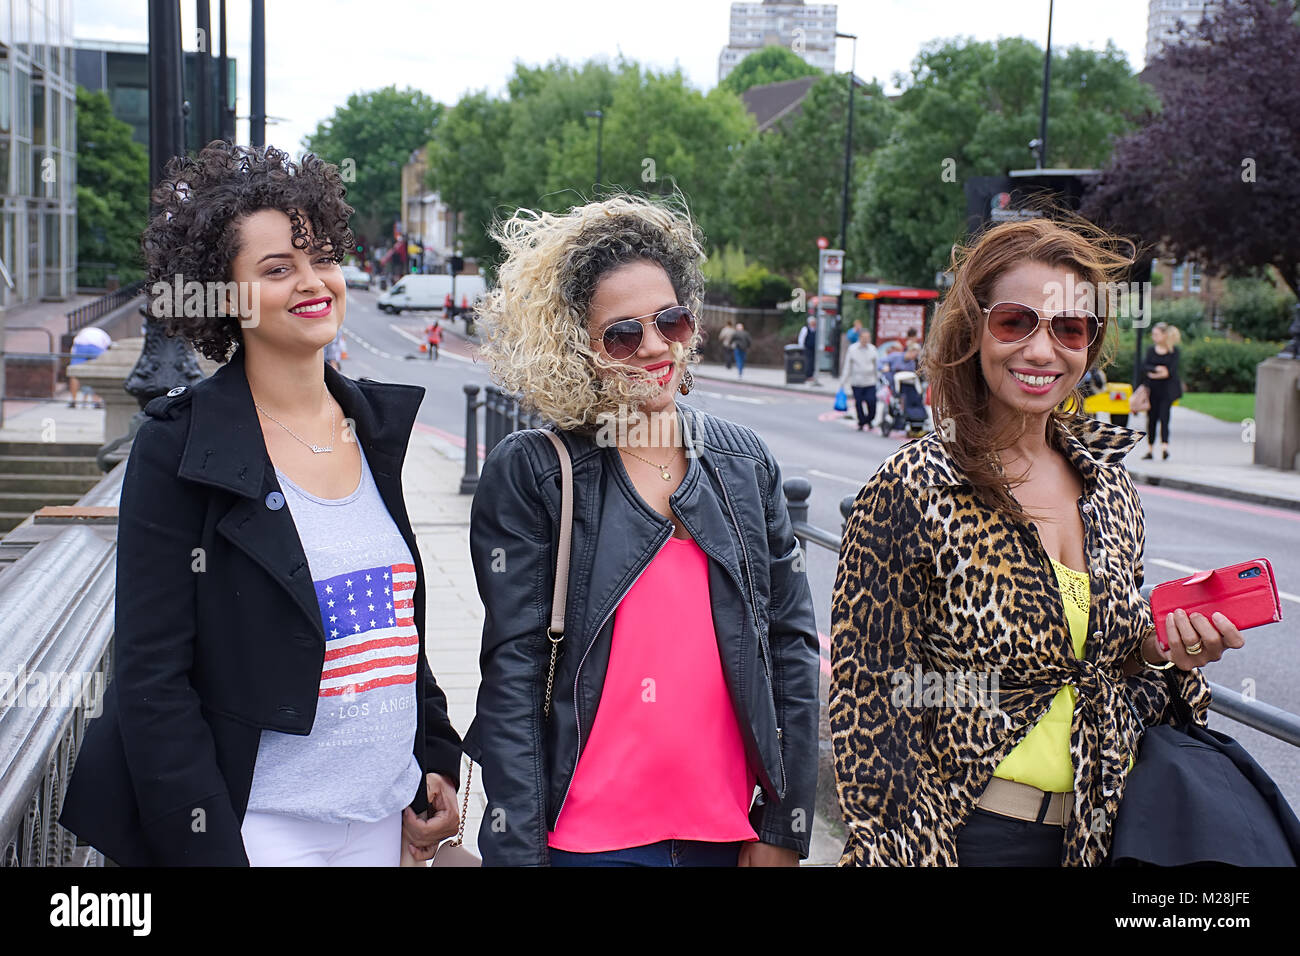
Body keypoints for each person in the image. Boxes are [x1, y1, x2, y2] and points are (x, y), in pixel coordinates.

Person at [59, 142, 464, 867]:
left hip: (380, 819)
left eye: (323, 256)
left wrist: (435, 757)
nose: (313, 282)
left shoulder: (371, 427)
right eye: (277, 268)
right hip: (262, 830)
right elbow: (153, 680)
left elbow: (395, 621)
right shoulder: (177, 448)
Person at [830, 217, 1243, 866]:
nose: (1043, 350)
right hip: (970, 839)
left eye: (1069, 328)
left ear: (1090, 343)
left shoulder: (1109, 489)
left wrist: (1160, 650)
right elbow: (871, 707)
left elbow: (1103, 668)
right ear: (973, 329)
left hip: (1099, 836)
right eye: (1015, 322)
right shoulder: (911, 489)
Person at [464, 193, 820, 867]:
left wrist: (782, 828)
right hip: (586, 841)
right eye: (623, 335)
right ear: (578, 348)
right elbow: (514, 675)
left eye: (672, 321)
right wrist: (517, 853)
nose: (655, 347)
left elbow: (791, 650)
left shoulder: (743, 463)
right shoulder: (537, 472)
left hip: (722, 834)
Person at [1139, 322, 1182, 460]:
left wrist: (1154, 372)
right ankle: (1150, 449)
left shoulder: (1173, 351)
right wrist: (1158, 370)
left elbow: (1170, 372)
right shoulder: (1151, 350)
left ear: (1164, 335)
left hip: (1167, 391)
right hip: (1152, 391)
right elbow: (1145, 367)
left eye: (1156, 334)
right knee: (1151, 419)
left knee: (1164, 418)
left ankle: (1165, 448)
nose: (1154, 337)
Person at [839, 330, 878, 430]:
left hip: (870, 381)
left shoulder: (873, 349)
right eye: (863, 337)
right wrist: (843, 381)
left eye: (867, 338)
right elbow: (847, 366)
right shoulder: (852, 349)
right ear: (860, 338)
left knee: (872, 402)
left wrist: (878, 378)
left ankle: (869, 419)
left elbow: (876, 366)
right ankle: (861, 422)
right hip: (856, 381)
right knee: (858, 403)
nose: (865, 340)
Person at [798, 316, 818, 383]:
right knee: (808, 362)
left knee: (813, 362)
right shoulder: (805, 329)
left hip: (814, 348)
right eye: (813, 322)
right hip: (807, 348)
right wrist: (802, 347)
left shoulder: (816, 329)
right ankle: (807, 375)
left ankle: (811, 375)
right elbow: (801, 339)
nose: (814, 324)